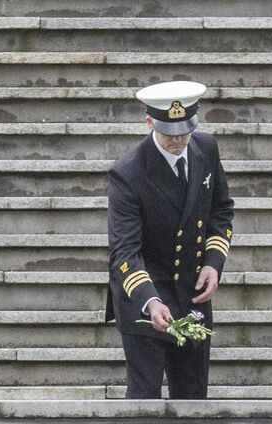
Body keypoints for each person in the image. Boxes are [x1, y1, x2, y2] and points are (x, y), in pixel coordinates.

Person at [105, 81, 235, 399]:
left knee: (193, 399)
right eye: (169, 133)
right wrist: (151, 301)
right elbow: (124, 250)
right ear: (149, 122)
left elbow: (222, 210)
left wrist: (213, 263)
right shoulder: (128, 173)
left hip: (192, 295)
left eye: (184, 132)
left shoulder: (206, 149)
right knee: (144, 401)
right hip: (143, 296)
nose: (178, 141)